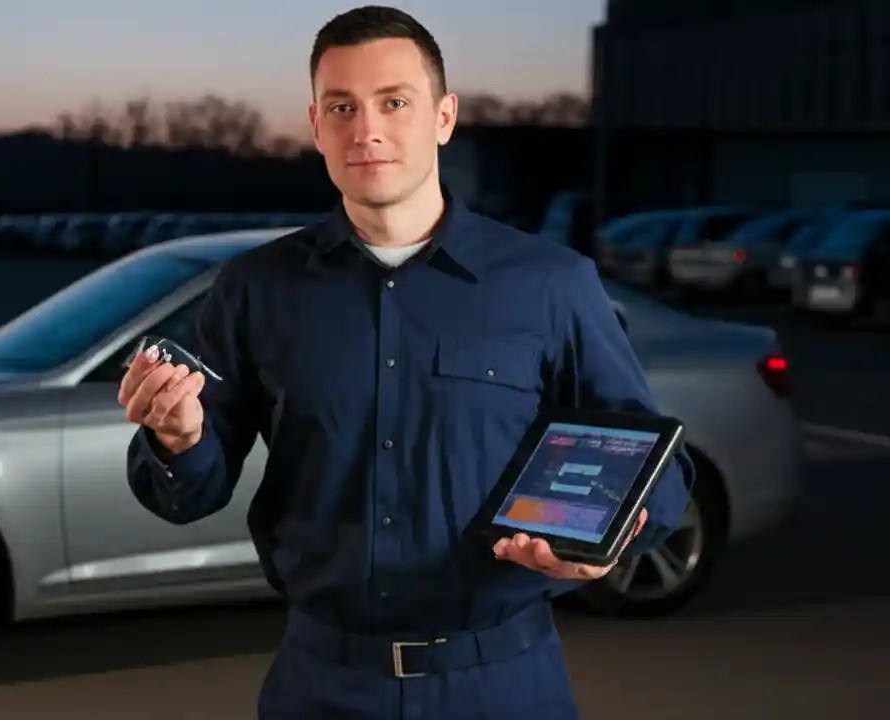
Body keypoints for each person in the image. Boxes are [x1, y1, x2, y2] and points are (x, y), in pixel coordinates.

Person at [118, 5, 694, 718]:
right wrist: (175, 440)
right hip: (320, 683)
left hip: (503, 682)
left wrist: (612, 536)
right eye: (342, 106)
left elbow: (662, 473)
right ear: (316, 124)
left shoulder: (550, 283)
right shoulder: (254, 289)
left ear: (444, 117)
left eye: (395, 101)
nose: (368, 130)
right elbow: (188, 495)